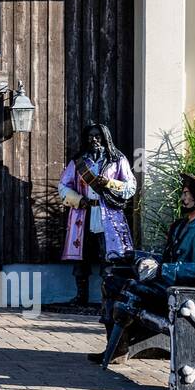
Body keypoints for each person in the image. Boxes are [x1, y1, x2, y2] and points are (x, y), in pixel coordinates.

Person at [89, 172, 195, 363]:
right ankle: (116, 347)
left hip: (183, 292)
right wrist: (137, 256)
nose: (183, 198)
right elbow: (168, 256)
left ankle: (118, 348)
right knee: (112, 280)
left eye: (187, 194)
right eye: (183, 193)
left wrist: (162, 270)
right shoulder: (182, 225)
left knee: (128, 288)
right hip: (167, 284)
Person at [58, 122, 136, 306]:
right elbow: (63, 184)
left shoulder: (118, 160)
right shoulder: (78, 161)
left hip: (107, 215)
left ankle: (107, 297)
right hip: (83, 214)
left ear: (105, 137)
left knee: (107, 256)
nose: (94, 139)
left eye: (98, 136)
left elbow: (131, 186)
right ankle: (80, 297)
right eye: (91, 136)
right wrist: (77, 199)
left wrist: (109, 183)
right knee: (81, 257)